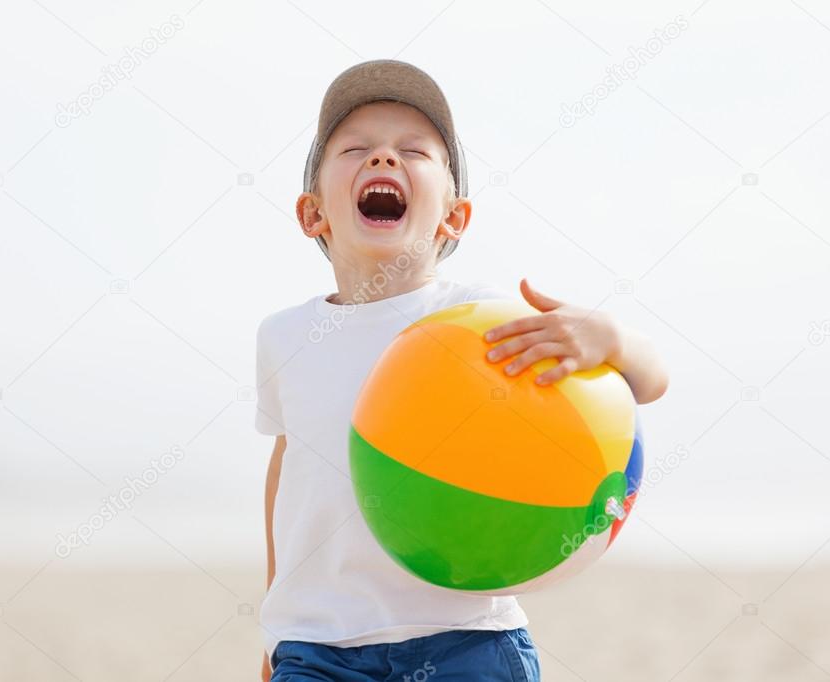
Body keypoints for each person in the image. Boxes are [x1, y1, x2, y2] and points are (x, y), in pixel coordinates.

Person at [255, 59, 669, 681]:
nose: (383, 160)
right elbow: (289, 473)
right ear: (313, 213)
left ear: (454, 217)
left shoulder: (478, 321)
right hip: (317, 646)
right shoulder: (284, 336)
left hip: (466, 638)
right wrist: (274, 625)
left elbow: (649, 382)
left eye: (413, 151)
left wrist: (609, 338)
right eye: (357, 148)